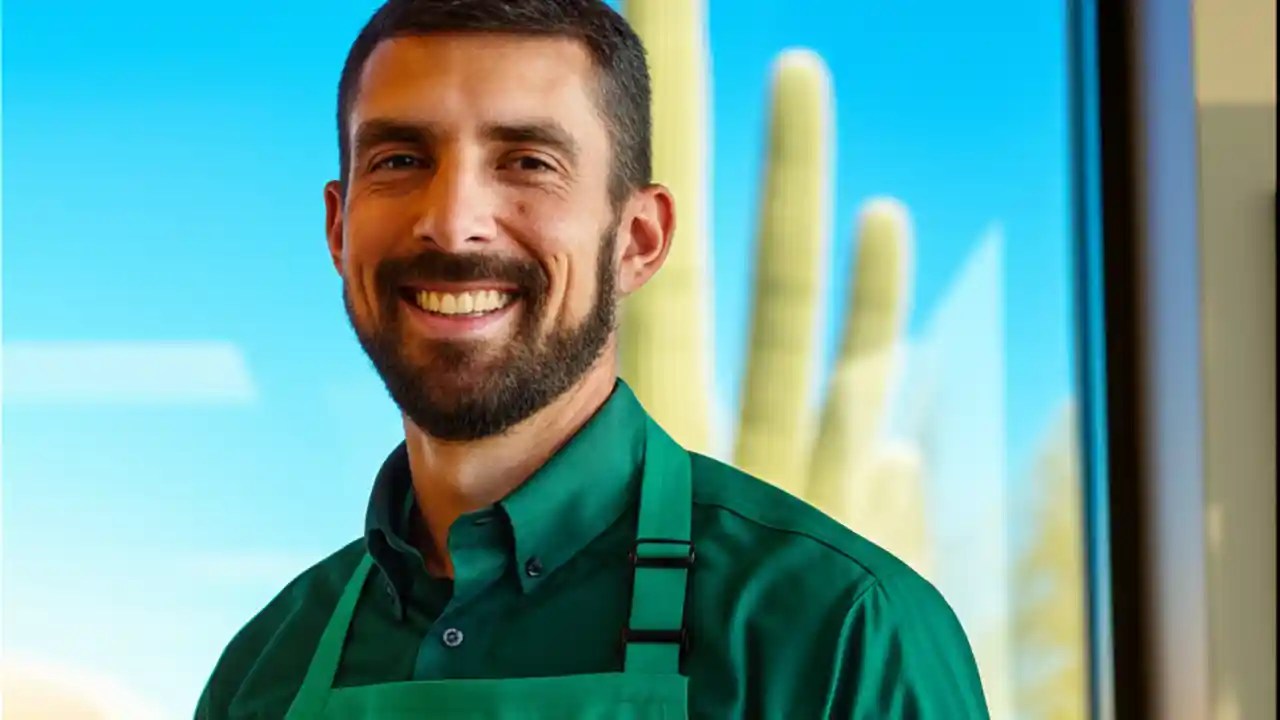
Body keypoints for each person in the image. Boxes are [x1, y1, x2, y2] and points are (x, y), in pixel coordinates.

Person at [194, 0, 990, 717]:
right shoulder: (264, 669)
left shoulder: (839, 634)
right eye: (400, 160)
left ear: (639, 240)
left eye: (527, 162)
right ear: (339, 228)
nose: (453, 221)